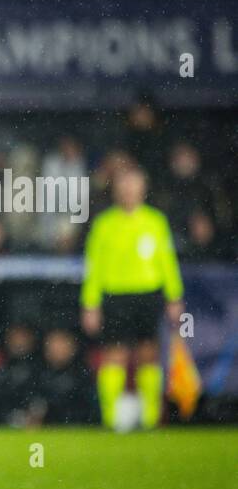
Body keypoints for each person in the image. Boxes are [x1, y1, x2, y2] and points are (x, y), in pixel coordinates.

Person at [81, 166, 184, 430]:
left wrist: (174, 297)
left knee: (148, 355)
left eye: (133, 185)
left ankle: (150, 418)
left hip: (147, 295)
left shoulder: (155, 221)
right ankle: (111, 419)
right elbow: (94, 267)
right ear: (116, 190)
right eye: (123, 185)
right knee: (114, 355)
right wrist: (90, 303)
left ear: (142, 189)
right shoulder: (104, 224)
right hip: (115, 296)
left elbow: (167, 263)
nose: (128, 191)